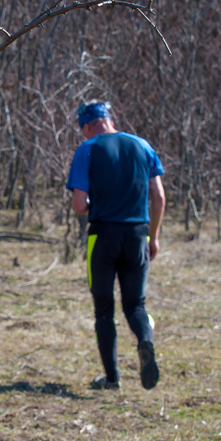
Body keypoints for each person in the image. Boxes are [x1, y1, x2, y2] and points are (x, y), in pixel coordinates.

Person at [66, 100, 165, 390]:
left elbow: (79, 204)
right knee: (136, 305)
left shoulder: (88, 149)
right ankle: (145, 340)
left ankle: (112, 379)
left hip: (103, 236)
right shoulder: (142, 145)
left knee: (104, 309)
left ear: (86, 125)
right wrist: (154, 236)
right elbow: (158, 198)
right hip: (137, 235)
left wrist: (93, 204)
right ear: (109, 118)